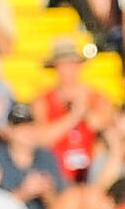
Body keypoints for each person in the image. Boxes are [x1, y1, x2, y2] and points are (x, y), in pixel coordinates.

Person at [32, 37, 114, 182]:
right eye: (63, 64)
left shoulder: (96, 97)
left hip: (91, 172)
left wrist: (85, 109)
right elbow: (41, 139)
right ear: (55, 67)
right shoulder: (42, 100)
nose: (69, 69)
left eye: (72, 64)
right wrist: (73, 116)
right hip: (57, 172)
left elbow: (103, 125)